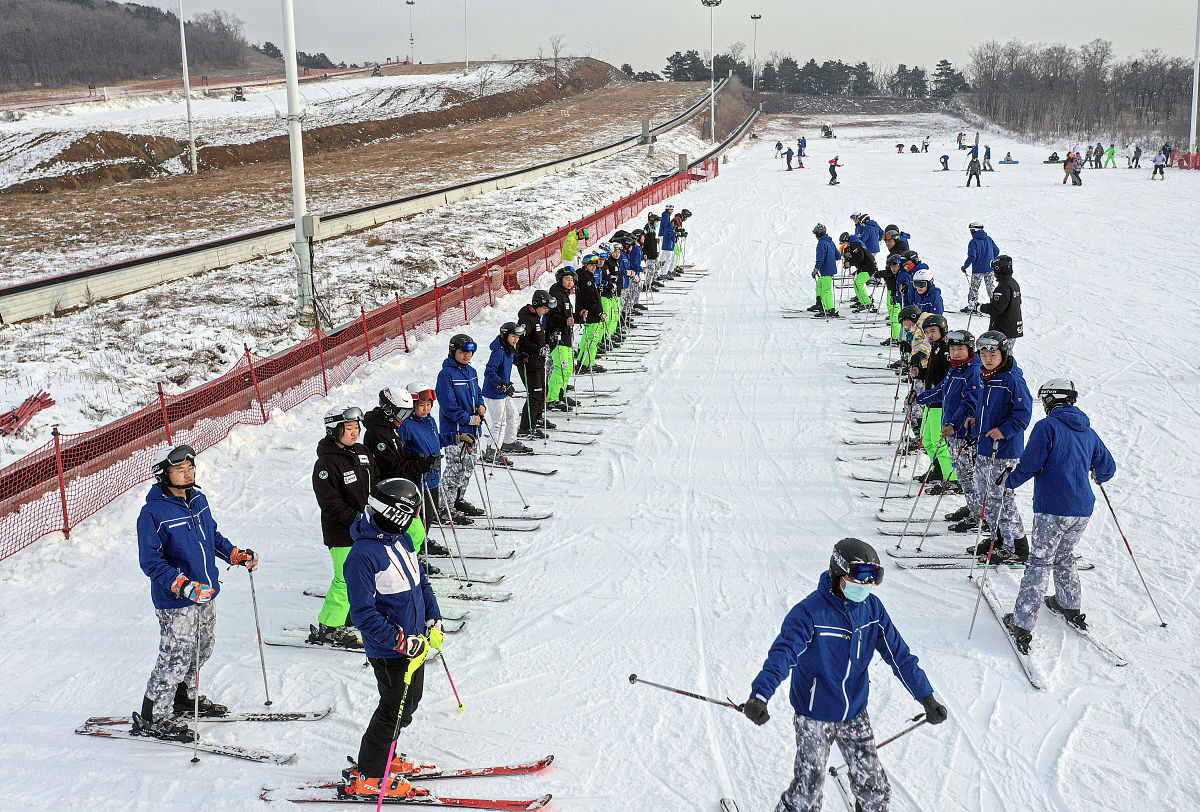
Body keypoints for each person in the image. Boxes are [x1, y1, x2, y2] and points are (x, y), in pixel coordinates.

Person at [742, 538, 947, 812]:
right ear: (838, 572)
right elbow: (783, 654)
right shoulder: (809, 613)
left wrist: (926, 697)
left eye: (872, 581)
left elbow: (900, 656)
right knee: (807, 792)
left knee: (874, 789)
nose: (865, 588)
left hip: (855, 712)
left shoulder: (872, 610)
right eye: (859, 578)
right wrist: (760, 695)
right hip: (814, 713)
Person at [134, 445, 257, 741]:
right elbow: (151, 561)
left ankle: (183, 698)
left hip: (205, 591)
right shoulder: (152, 513)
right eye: (180, 470)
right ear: (164, 475)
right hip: (176, 599)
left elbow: (210, 536)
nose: (188, 474)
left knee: (202, 648)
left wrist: (233, 554)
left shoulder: (198, 499)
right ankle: (154, 715)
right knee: (175, 655)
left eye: (190, 469)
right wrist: (180, 583)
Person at [342, 478, 443, 798]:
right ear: (395, 512)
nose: (415, 518)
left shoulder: (402, 540)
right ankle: (370, 774)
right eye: (411, 512)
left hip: (416, 641)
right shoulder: (362, 555)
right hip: (390, 650)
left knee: (409, 703)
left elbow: (420, 582)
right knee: (393, 707)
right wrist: (400, 642)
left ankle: (386, 756)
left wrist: (434, 616)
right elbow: (362, 613)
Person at [1002, 380, 1117, 653]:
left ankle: (1022, 622)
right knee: (1064, 556)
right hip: (1082, 510)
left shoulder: (1047, 427)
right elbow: (1108, 467)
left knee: (1040, 563)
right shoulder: (1088, 430)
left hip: (1053, 508)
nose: (1042, 405)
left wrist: (1008, 481)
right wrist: (1097, 475)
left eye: (1044, 400)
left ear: (1052, 400)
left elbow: (1030, 463)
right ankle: (1068, 605)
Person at [309, 406, 376, 648]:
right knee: (345, 579)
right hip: (342, 532)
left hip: (368, 526)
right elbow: (330, 503)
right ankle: (329, 626)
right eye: (348, 428)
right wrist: (356, 519)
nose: (354, 432)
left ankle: (352, 615)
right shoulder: (326, 465)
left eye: (356, 427)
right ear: (333, 430)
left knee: (365, 575)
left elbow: (374, 482)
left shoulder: (361, 452)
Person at [968, 331, 1032, 564]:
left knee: (1003, 499)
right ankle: (998, 537)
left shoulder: (1012, 380)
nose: (987, 358)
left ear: (1003, 353)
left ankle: (1018, 546)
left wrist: (1004, 431)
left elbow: (1023, 415)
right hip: (985, 446)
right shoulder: (984, 376)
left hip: (1004, 451)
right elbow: (985, 408)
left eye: (992, 353)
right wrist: (976, 420)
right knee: (988, 497)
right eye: (983, 353)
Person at [935, 330, 985, 526]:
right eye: (953, 349)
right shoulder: (955, 368)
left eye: (960, 349)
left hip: (963, 433)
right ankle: (973, 506)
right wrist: (920, 397)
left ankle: (978, 514)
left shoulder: (972, 370)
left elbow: (969, 403)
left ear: (969, 349)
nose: (956, 353)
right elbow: (942, 391)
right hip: (953, 431)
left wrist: (954, 424)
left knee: (968, 474)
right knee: (963, 474)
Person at [436, 334, 487, 520]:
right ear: (453, 352)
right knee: (454, 470)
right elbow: (448, 405)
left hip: (473, 430)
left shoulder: (471, 372)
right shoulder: (446, 375)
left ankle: (457, 499)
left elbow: (478, 393)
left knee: (467, 469)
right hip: (455, 432)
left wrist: (481, 406)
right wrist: (468, 419)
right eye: (462, 352)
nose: (467, 356)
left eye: (470, 352)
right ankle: (443, 507)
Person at [394, 382, 453, 530]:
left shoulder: (430, 420)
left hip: (433, 476)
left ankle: (423, 541)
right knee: (420, 517)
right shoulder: (405, 425)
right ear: (412, 404)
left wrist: (456, 437)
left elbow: (435, 441)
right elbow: (400, 454)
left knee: (430, 515)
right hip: (419, 479)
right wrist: (418, 461)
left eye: (428, 404)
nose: (426, 408)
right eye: (421, 405)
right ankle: (416, 546)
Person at [911, 314, 956, 487]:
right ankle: (938, 469)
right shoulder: (935, 348)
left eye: (933, 331)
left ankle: (951, 478)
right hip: (931, 402)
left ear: (942, 330)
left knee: (938, 442)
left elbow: (947, 378)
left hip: (940, 404)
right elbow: (933, 375)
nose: (930, 335)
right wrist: (920, 373)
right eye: (927, 332)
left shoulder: (946, 350)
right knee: (927, 440)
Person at [481, 321, 529, 466]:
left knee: (513, 415)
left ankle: (508, 442)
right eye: (513, 336)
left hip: (503, 391)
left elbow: (509, 360)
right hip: (494, 392)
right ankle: (492, 451)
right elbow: (489, 371)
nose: (516, 340)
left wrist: (518, 359)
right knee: (499, 423)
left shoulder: (507, 348)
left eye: (518, 337)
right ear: (505, 335)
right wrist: (502, 384)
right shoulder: (499, 352)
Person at [516, 290, 553, 439]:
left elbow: (538, 339)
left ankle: (537, 419)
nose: (546, 311)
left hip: (537, 361)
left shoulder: (537, 318)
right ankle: (526, 427)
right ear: (537, 305)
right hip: (528, 361)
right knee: (534, 394)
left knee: (543, 390)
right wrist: (538, 349)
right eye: (544, 308)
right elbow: (522, 341)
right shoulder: (526, 319)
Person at [364, 388, 415, 481]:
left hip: (397, 484)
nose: (402, 419)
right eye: (402, 414)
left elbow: (397, 454)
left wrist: (416, 458)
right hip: (387, 487)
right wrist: (419, 466)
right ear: (388, 410)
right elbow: (392, 468)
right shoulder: (376, 433)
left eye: (407, 414)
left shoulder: (389, 427)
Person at [546, 267, 578, 409]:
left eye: (571, 279)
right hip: (557, 337)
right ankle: (551, 398)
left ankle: (560, 393)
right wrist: (564, 322)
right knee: (561, 368)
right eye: (567, 279)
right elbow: (552, 317)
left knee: (569, 368)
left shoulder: (564, 295)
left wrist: (578, 316)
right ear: (560, 280)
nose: (569, 282)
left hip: (566, 337)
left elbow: (567, 316)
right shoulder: (556, 295)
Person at [979, 255, 1022, 355]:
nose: (994, 273)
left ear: (998, 269)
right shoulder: (1013, 283)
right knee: (1006, 354)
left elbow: (996, 309)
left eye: (994, 269)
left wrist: (979, 307)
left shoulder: (1003, 287)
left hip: (1004, 328)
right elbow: (1018, 302)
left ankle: (1008, 370)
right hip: (1011, 327)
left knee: (1002, 355)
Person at [575, 253, 607, 373]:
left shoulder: (586, 276)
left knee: (587, 339)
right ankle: (588, 363)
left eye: (595, 265)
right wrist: (599, 312)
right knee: (593, 339)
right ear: (585, 265)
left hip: (589, 313)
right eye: (591, 265)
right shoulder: (586, 279)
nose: (594, 267)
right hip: (591, 313)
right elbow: (589, 299)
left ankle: (582, 362)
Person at [960, 221, 999, 314]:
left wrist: (965, 267)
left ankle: (972, 306)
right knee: (991, 287)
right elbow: (996, 251)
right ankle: (997, 306)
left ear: (974, 230)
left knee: (974, 288)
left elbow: (972, 256)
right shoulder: (989, 239)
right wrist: (990, 260)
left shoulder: (973, 242)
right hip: (990, 269)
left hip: (978, 270)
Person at [840, 233, 877, 313]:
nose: (843, 245)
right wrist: (849, 261)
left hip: (868, 267)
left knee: (858, 283)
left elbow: (859, 257)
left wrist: (850, 262)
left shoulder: (854, 246)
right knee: (856, 284)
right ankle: (863, 302)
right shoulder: (854, 245)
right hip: (865, 267)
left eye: (843, 243)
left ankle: (867, 303)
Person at [811, 224, 841, 318]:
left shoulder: (821, 243)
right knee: (819, 285)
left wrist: (816, 269)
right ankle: (820, 304)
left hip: (826, 270)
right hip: (830, 269)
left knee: (826, 290)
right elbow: (838, 256)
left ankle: (829, 309)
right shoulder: (830, 242)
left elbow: (820, 258)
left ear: (819, 234)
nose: (815, 236)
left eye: (816, 233)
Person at [657, 204, 677, 276]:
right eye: (671, 209)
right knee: (667, 250)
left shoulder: (666, 215)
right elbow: (666, 225)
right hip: (664, 234)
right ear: (668, 209)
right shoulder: (666, 215)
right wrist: (671, 229)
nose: (672, 211)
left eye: (672, 209)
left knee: (665, 250)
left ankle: (661, 262)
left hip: (663, 233)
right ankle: (662, 263)